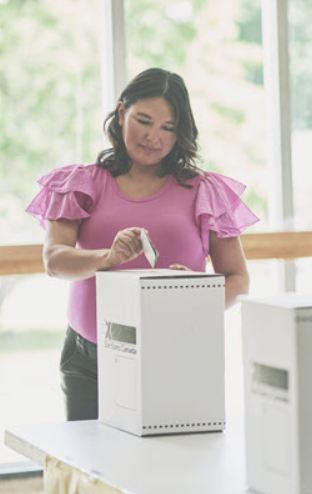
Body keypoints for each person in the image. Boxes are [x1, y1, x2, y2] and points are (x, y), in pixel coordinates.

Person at [26, 68, 259, 421]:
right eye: (144, 121)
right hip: (90, 361)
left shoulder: (204, 190)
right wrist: (108, 256)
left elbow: (238, 278)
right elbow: (54, 260)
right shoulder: (80, 183)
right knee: (91, 469)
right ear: (121, 113)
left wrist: (195, 295)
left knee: (173, 467)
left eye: (168, 127)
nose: (153, 137)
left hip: (177, 356)